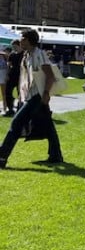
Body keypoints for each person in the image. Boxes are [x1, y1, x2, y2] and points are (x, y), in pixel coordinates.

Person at [0, 29, 63, 169]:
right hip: (30, 95)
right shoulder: (26, 55)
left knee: (16, 124)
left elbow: (50, 75)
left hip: (37, 95)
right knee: (48, 125)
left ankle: (2, 156)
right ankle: (56, 155)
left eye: (22, 38)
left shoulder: (39, 55)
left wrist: (46, 93)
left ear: (29, 40)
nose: (20, 40)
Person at [5, 40, 23, 115]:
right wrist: (6, 75)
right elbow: (8, 65)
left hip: (21, 76)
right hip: (11, 76)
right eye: (13, 47)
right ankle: (10, 109)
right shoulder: (12, 54)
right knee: (7, 92)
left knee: (21, 94)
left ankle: (20, 109)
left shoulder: (24, 54)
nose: (14, 48)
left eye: (15, 47)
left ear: (19, 46)